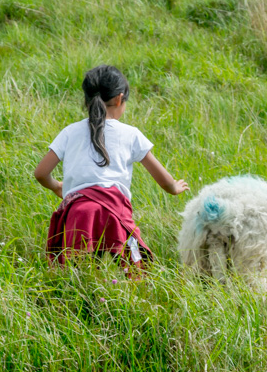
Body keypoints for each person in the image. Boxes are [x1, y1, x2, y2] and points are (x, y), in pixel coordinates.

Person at [34, 64, 188, 268]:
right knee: (134, 269)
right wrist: (174, 188)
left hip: (79, 212)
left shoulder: (70, 132)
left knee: (77, 274)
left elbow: (41, 173)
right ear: (119, 99)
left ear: (86, 99)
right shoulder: (131, 134)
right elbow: (164, 180)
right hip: (115, 212)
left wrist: (56, 186)